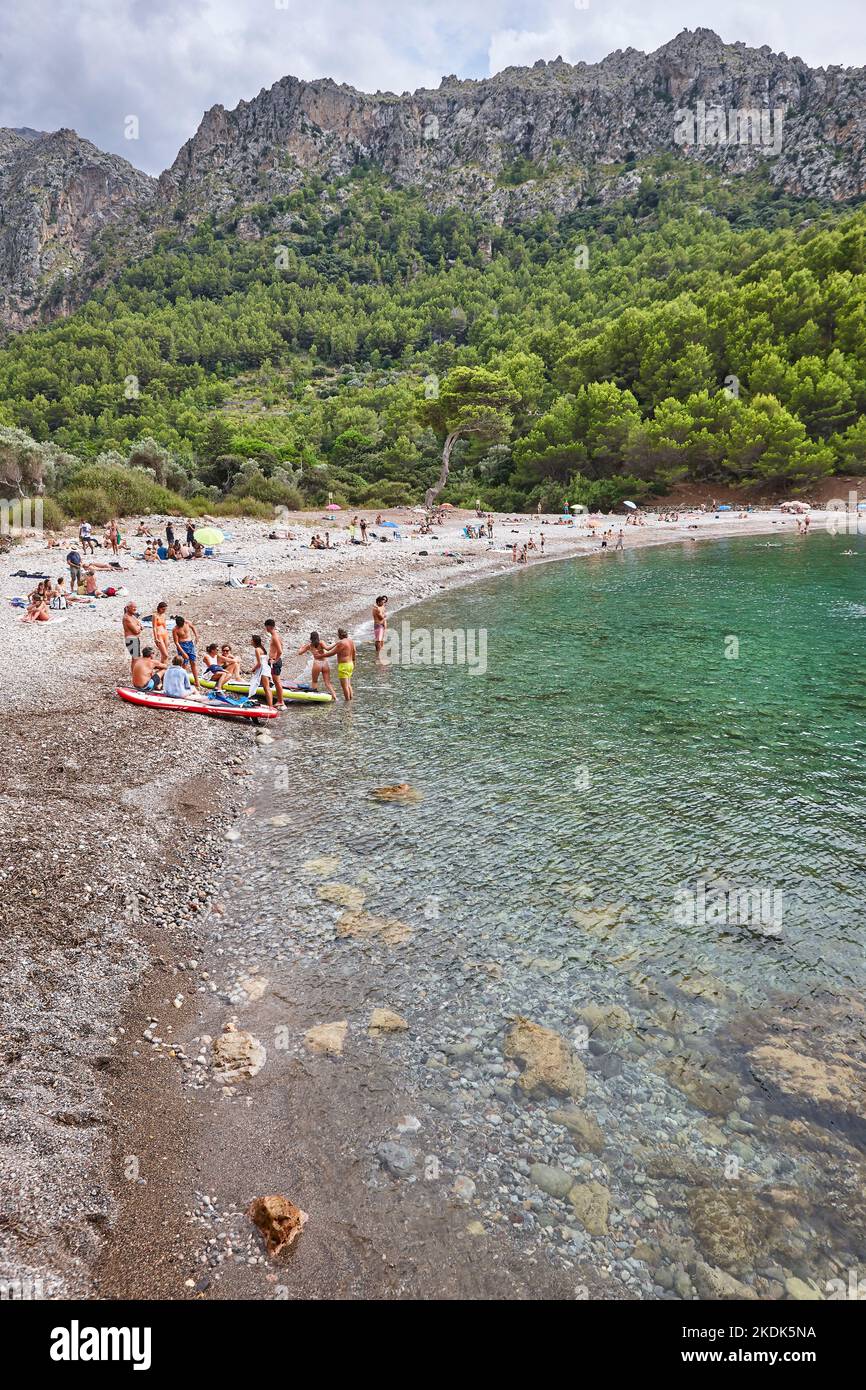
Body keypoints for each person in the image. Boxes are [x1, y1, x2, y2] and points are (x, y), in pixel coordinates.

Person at [297, 631, 337, 700]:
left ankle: (314, 698)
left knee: (314, 681)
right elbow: (328, 648)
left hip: (317, 664)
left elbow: (300, 653)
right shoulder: (321, 642)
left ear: (311, 638)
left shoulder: (309, 645)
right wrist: (336, 643)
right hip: (324, 663)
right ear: (318, 637)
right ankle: (335, 698)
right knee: (327, 682)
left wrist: (301, 647)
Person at [325, 628, 356, 702]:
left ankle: (347, 703)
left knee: (344, 686)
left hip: (343, 665)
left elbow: (332, 653)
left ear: (339, 634)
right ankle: (350, 701)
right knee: (348, 685)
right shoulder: (350, 641)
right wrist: (354, 660)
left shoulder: (341, 643)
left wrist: (321, 656)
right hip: (350, 664)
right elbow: (354, 650)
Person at [172, 614, 200, 687]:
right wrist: (183, 652)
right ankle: (180, 682)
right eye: (179, 625)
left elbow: (193, 627)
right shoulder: (175, 629)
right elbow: (176, 642)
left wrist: (196, 636)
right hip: (182, 646)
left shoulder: (187, 623)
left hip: (190, 644)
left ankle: (197, 682)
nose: (181, 626)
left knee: (193, 662)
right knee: (184, 664)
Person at [248, 634, 273, 707]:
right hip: (266, 669)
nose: (250, 641)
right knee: (267, 688)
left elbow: (259, 663)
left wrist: (252, 669)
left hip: (262, 670)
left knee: (266, 688)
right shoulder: (262, 648)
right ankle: (270, 706)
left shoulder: (257, 649)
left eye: (251, 640)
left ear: (254, 641)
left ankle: (270, 707)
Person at [264, 618, 284, 704]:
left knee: (277, 682)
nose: (266, 629)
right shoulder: (276, 635)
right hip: (274, 661)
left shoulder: (275, 637)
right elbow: (281, 646)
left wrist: (275, 660)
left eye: (266, 627)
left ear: (269, 626)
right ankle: (279, 700)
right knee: (276, 681)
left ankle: (280, 701)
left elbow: (280, 651)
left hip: (274, 662)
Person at [372, 595, 388, 663]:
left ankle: (380, 651)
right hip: (378, 625)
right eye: (381, 602)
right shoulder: (376, 609)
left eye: (383, 602)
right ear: (378, 602)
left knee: (381, 640)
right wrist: (384, 615)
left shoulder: (381, 607)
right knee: (378, 640)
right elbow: (381, 617)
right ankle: (378, 654)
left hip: (382, 625)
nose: (383, 603)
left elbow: (383, 615)